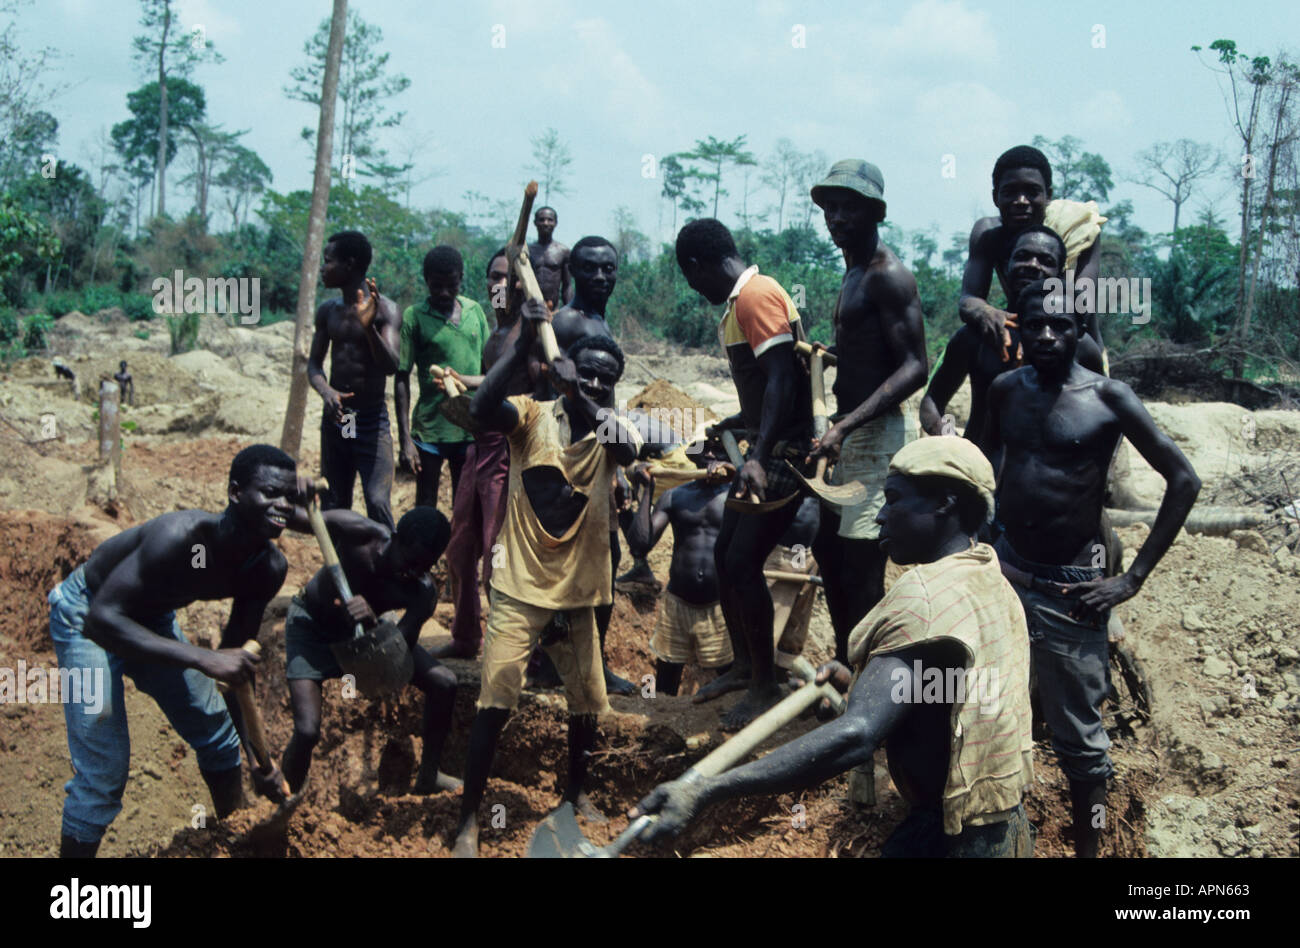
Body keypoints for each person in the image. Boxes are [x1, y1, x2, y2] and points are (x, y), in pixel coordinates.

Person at [632, 437, 1035, 858]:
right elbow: (943, 686)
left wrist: (705, 789)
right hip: (998, 821)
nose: (879, 516)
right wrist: (864, 679)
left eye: (894, 500)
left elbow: (857, 735)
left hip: (954, 840)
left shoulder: (926, 596)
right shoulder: (987, 576)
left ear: (945, 503)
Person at [981, 280, 1200, 856]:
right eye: (1034, 326)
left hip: (1070, 588)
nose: (1047, 336)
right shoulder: (1005, 389)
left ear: (1080, 331)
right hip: (1004, 572)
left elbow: (1184, 480)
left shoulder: (1109, 398)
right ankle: (999, 834)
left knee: (1080, 740)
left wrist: (1131, 579)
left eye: (1060, 326)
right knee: (989, 708)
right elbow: (979, 464)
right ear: (1019, 331)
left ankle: (1089, 851)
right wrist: (981, 542)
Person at [452, 306, 642, 857]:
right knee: (496, 699)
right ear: (565, 370)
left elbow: (627, 451)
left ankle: (574, 796)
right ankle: (469, 819)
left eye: (608, 378)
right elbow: (480, 405)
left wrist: (582, 397)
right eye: (588, 373)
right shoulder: (532, 417)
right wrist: (521, 350)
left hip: (579, 595)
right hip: (519, 588)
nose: (598, 382)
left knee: (586, 704)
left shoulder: (614, 428)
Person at [48, 445, 300, 857]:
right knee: (103, 773)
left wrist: (258, 759)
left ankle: (230, 843)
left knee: (219, 737)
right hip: (87, 613)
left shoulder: (267, 568)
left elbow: (234, 666)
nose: (283, 505)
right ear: (235, 492)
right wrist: (203, 657)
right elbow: (102, 620)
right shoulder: (181, 537)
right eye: (271, 492)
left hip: (150, 616)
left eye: (290, 496)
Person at [675, 217, 813, 730]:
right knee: (725, 553)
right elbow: (765, 389)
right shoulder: (741, 304)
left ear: (698, 265)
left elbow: (782, 381)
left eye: (691, 278)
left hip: (785, 450)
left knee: (740, 558)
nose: (693, 289)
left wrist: (759, 452)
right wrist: (733, 426)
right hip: (769, 440)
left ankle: (764, 687)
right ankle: (742, 667)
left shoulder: (756, 296)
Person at [806, 159, 929, 664]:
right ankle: (845, 663)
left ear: (874, 212)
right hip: (847, 434)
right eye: (830, 208)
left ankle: (873, 685)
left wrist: (847, 424)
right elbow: (869, 352)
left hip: (874, 437)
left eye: (848, 207)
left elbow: (916, 367)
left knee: (859, 564)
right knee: (828, 554)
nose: (836, 217)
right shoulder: (852, 270)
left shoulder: (887, 275)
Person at [279, 504, 461, 795]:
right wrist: (297, 495)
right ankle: (284, 799)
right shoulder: (358, 533)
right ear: (396, 538)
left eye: (423, 567)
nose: (412, 573)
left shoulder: (422, 592)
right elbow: (296, 518)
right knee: (307, 730)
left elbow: (399, 653)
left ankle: (429, 774)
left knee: (445, 683)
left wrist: (374, 621)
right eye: (410, 561)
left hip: (366, 641)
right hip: (313, 630)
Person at [527, 234, 637, 695]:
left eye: (608, 268)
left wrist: (621, 469)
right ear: (572, 272)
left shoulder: (597, 320)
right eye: (590, 268)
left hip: (600, 455)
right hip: (573, 457)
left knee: (604, 562)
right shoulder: (567, 324)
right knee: (579, 563)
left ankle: (583, 662)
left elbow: (603, 394)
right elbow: (553, 390)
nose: (600, 277)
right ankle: (556, 664)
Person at [920, 225, 1104, 456]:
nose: (1032, 265)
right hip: (981, 473)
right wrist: (951, 440)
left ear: (1058, 275)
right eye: (1022, 257)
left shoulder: (1079, 345)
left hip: (1047, 479)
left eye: (1045, 260)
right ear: (1007, 267)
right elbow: (932, 403)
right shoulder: (974, 337)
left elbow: (1107, 412)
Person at [434, 248, 532, 660]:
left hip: (511, 449)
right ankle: (465, 636)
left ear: (523, 284)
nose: (498, 285)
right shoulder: (499, 328)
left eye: (507, 278)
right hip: (481, 445)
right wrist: (461, 381)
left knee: (498, 555)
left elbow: (534, 393)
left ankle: (513, 645)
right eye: (493, 277)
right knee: (460, 547)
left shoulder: (529, 329)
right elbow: (495, 380)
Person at [958, 145, 1105, 363]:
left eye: (1032, 192)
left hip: (1077, 347)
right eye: (1010, 192)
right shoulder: (988, 234)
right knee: (963, 344)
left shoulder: (1076, 228)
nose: (1021, 201)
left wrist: (1039, 334)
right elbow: (968, 298)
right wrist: (986, 312)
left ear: (1048, 196)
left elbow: (1083, 302)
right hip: (1019, 335)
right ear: (995, 197)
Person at [308, 230, 401, 530]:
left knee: (377, 502)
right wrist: (327, 392)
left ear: (349, 265)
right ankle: (339, 572)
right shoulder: (328, 312)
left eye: (328, 261)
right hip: (340, 420)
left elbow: (391, 365)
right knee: (335, 502)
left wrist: (369, 328)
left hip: (370, 421)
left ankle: (390, 572)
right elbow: (313, 366)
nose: (323, 268)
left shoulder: (385, 310)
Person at [626, 441, 735, 696]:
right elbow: (640, 545)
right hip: (677, 602)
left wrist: (735, 473)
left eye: (717, 450)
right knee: (666, 679)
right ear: (694, 458)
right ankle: (660, 720)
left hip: (720, 605)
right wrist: (647, 491)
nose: (709, 455)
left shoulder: (736, 496)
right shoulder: (676, 495)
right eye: (704, 449)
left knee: (729, 677)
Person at [395, 245, 491, 509]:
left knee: (466, 507)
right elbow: (401, 377)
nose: (444, 293)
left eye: (451, 285)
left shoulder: (475, 312)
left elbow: (490, 371)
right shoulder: (414, 317)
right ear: (426, 280)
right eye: (436, 286)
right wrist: (405, 440)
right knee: (425, 505)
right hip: (430, 430)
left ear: (461, 278)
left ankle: (458, 552)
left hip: (469, 429)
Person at [528, 205, 571, 310]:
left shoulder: (563, 251)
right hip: (529, 309)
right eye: (541, 220)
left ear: (555, 223)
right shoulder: (527, 251)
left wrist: (569, 310)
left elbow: (567, 286)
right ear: (535, 223)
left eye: (550, 220)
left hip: (553, 309)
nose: (545, 223)